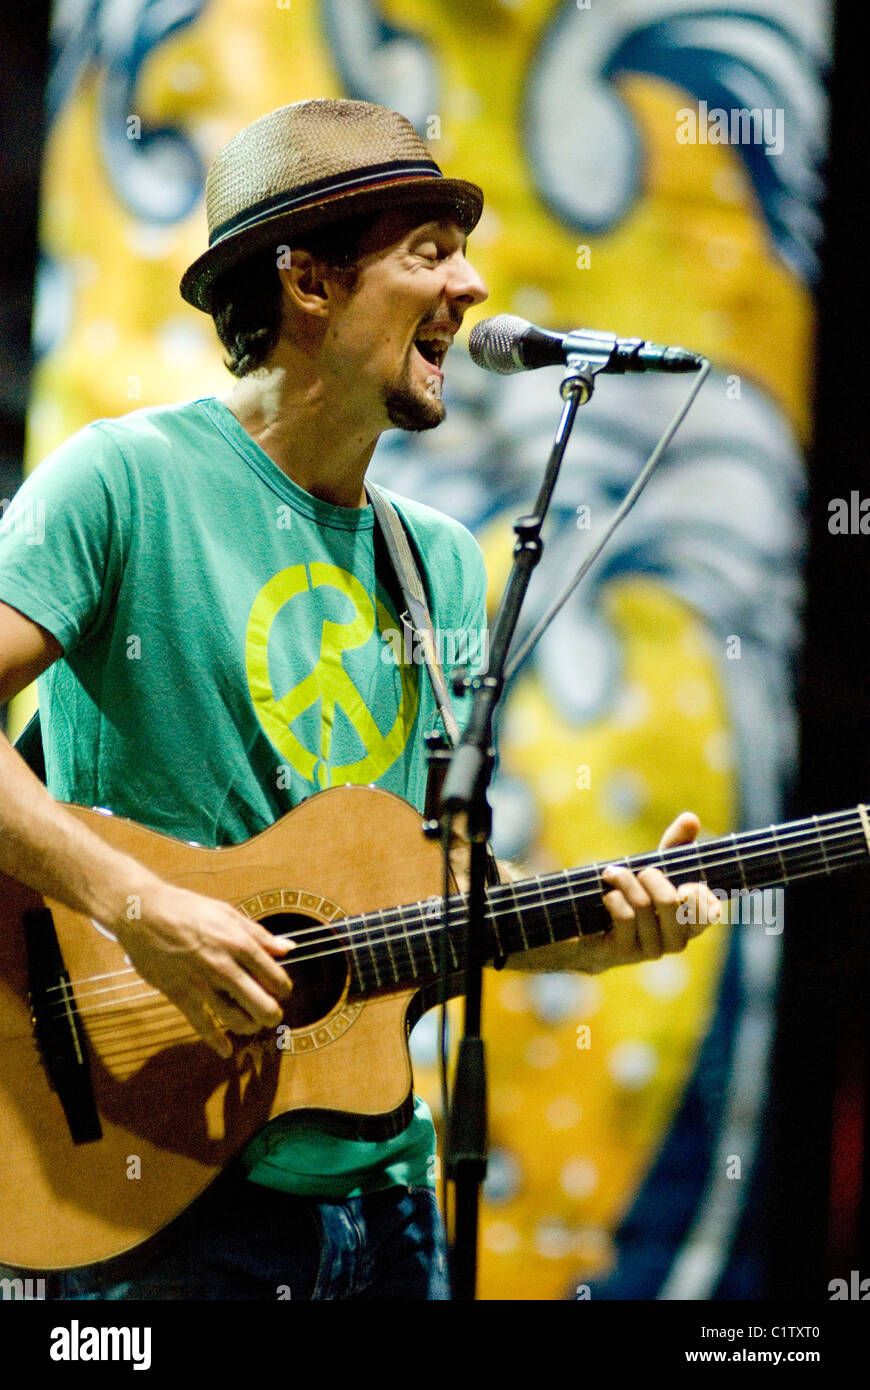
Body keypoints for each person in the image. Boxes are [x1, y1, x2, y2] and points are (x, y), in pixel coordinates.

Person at [0, 98, 721, 1300]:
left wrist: (584, 940)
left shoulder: (432, 559)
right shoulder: (123, 481)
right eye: (430, 253)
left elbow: (404, 898)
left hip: (386, 1212)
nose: (475, 288)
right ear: (309, 281)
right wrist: (137, 905)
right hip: (156, 1191)